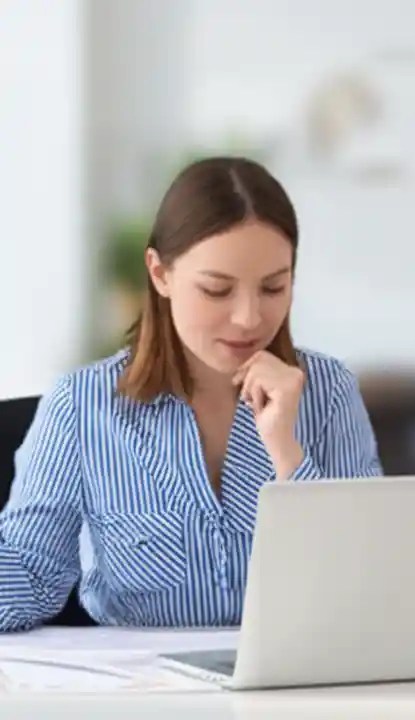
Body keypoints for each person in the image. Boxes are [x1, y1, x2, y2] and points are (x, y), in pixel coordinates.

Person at [0, 156, 383, 632]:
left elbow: (364, 579)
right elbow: (28, 575)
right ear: (160, 274)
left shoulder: (328, 393)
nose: (249, 318)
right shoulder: (81, 405)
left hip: (294, 692)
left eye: (273, 287)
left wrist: (286, 451)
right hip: (142, 693)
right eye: (217, 291)